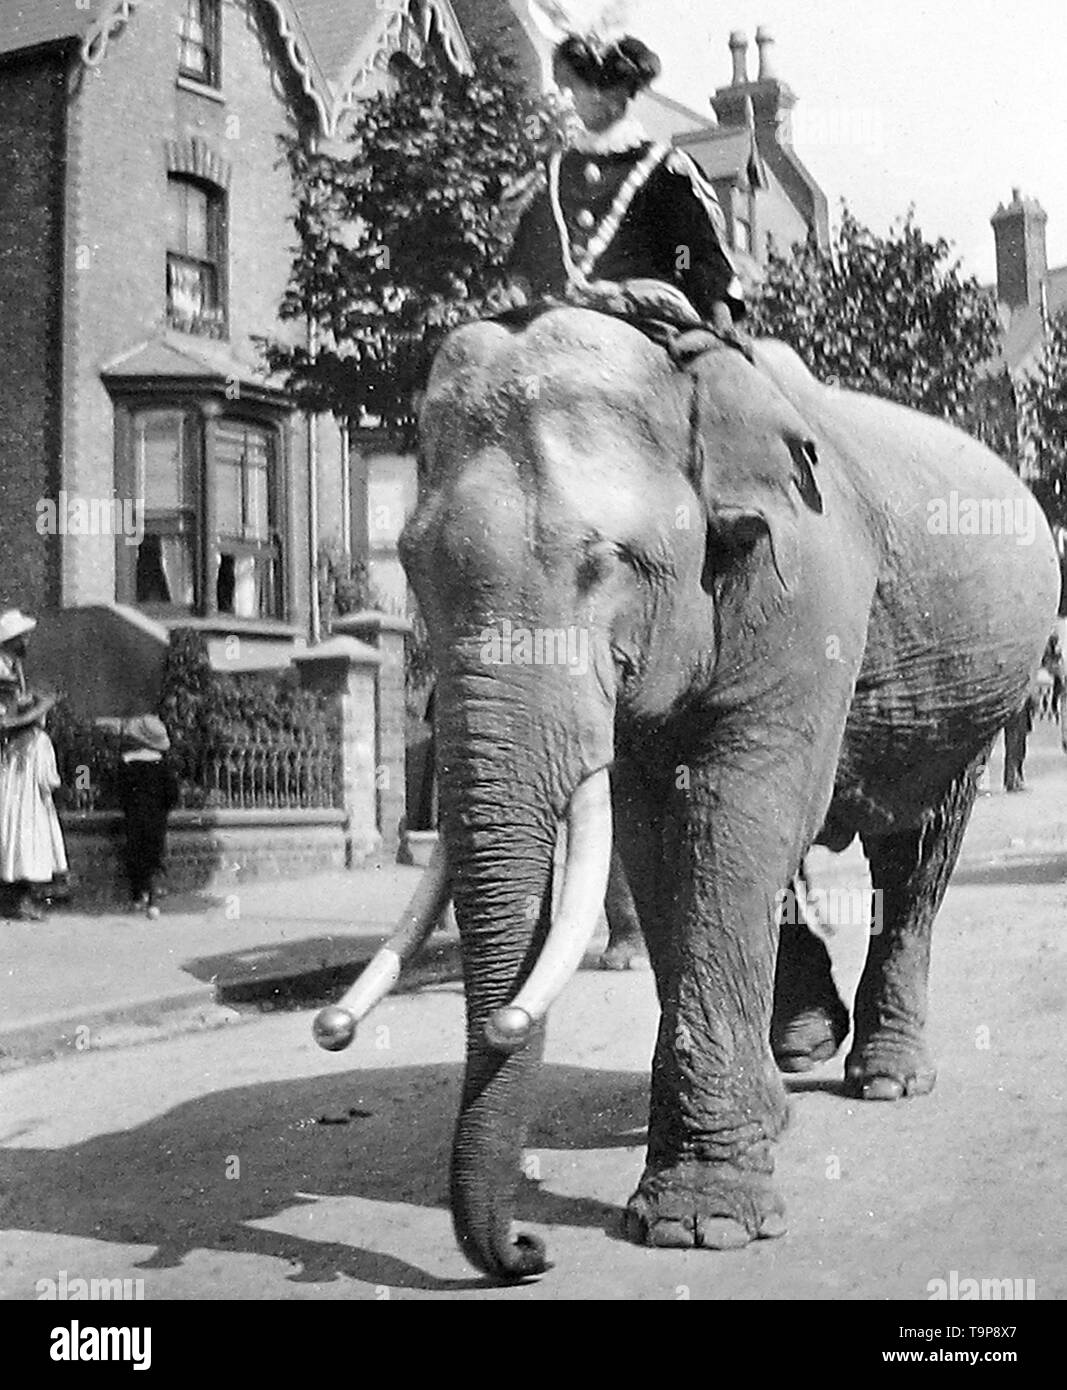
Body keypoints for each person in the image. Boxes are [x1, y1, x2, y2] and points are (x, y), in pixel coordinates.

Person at [499, 32, 746, 341]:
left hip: (641, 314)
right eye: (571, 88)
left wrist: (684, 281)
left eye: (580, 89)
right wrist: (518, 287)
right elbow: (529, 250)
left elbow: (688, 248)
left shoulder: (666, 169)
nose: (571, 99)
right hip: (556, 313)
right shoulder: (554, 167)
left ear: (615, 97)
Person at [0, 692, 67, 921]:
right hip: (32, 802)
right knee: (31, 847)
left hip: (10, 801)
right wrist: (68, 784)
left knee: (14, 846)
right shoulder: (40, 741)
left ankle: (17, 901)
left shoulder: (10, 742)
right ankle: (27, 902)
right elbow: (46, 779)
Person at [116, 714, 179, 918]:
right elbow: (172, 795)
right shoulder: (162, 766)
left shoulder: (127, 763)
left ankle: (137, 896)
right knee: (153, 854)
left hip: (133, 815)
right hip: (156, 817)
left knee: (135, 853)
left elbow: (119, 790)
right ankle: (152, 898)